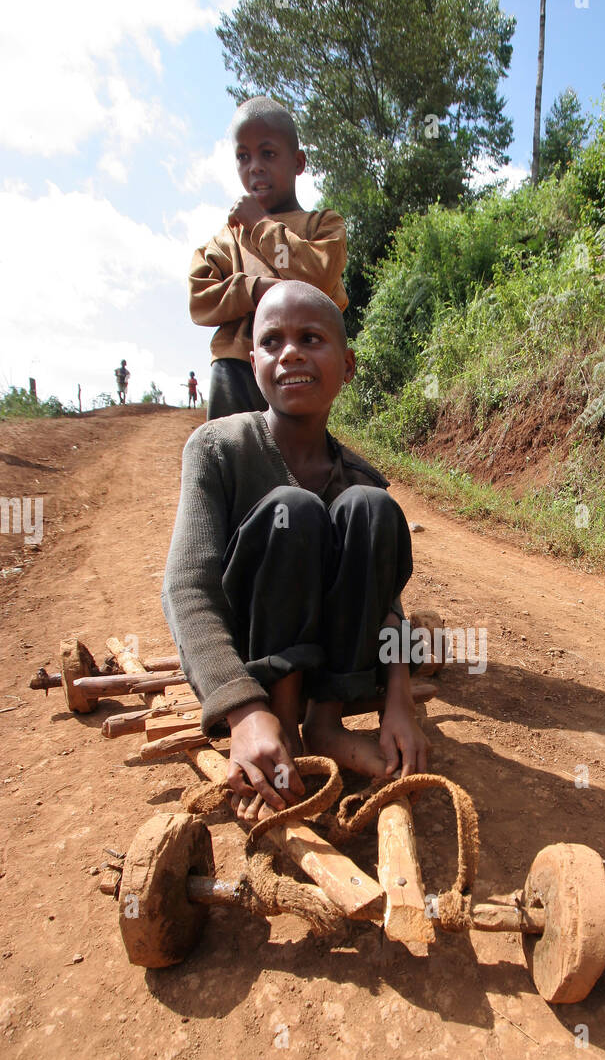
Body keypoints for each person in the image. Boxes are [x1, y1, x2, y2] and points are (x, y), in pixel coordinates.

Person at [162, 281, 428, 819]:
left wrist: (398, 700)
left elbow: (387, 603)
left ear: (348, 365)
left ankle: (324, 725)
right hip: (250, 659)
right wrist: (242, 710)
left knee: (372, 507)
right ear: (253, 359)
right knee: (294, 509)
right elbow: (187, 588)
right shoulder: (218, 447)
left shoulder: (359, 476)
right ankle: (278, 726)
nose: (290, 353)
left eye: (311, 338)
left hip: (330, 664)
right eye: (272, 341)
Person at [189, 96, 348, 422]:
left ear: (298, 162)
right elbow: (199, 300)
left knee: (295, 465)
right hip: (234, 366)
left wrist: (259, 223)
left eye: (268, 153)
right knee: (229, 458)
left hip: (301, 367)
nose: (255, 166)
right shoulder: (229, 236)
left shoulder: (323, 226)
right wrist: (256, 289)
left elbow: (317, 278)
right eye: (243, 157)